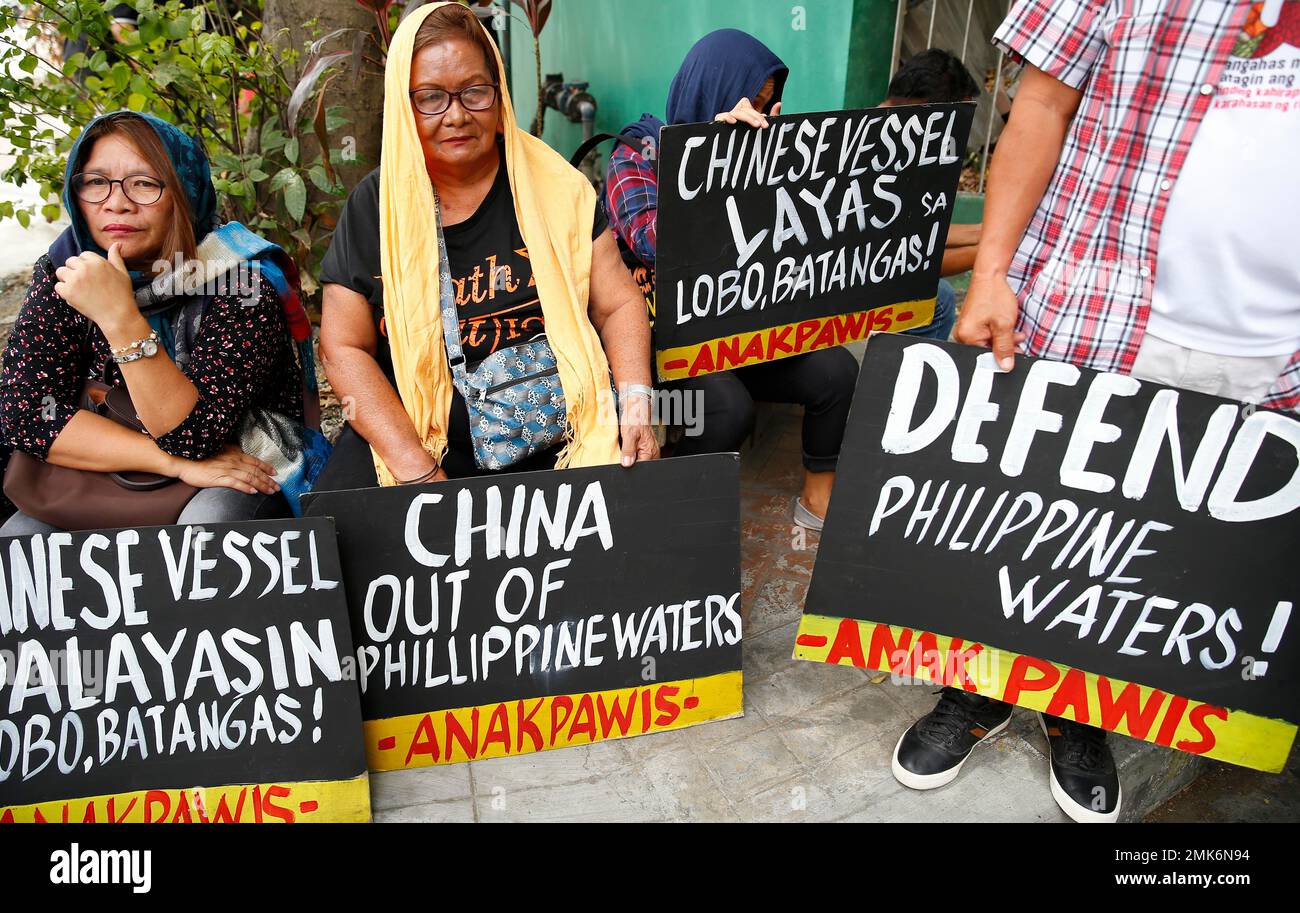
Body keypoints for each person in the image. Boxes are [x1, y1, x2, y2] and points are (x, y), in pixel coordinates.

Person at [890, 0, 1300, 824]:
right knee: (1026, 522)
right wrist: (993, 267)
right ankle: (976, 689)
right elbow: (1041, 99)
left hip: (1272, 355)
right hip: (1096, 302)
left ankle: (1078, 711)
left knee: (1147, 564)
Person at [315, 1, 657, 491]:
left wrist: (637, 403)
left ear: (499, 96)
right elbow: (344, 347)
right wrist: (415, 466)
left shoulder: (555, 186)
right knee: (338, 513)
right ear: (402, 105)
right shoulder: (377, 207)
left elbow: (619, 303)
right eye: (430, 97)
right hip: (423, 432)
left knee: (641, 491)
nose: (455, 115)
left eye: (474, 92)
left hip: (557, 425)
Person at [0, 110, 322, 535]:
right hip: (116, 472)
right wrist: (168, 463)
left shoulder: (240, 282)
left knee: (212, 524)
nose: (117, 202)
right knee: (22, 535)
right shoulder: (66, 271)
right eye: (96, 182)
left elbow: (193, 436)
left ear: (184, 193)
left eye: (144, 183)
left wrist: (119, 318)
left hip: (238, 469)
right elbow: (27, 417)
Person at [603, 29, 865, 532]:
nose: (761, 118)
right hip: (667, 342)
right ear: (712, 91)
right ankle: (673, 516)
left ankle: (818, 503)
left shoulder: (762, 157)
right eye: (753, 104)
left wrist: (777, 170)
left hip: (742, 328)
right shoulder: (634, 156)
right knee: (726, 407)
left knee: (836, 371)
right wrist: (713, 160)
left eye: (769, 107)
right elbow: (657, 244)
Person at [881, 48, 986, 341]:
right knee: (938, 298)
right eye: (961, 115)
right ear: (930, 108)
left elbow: (918, 231)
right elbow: (906, 260)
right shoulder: (883, 149)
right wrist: (988, 253)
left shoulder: (902, 135)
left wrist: (986, 233)